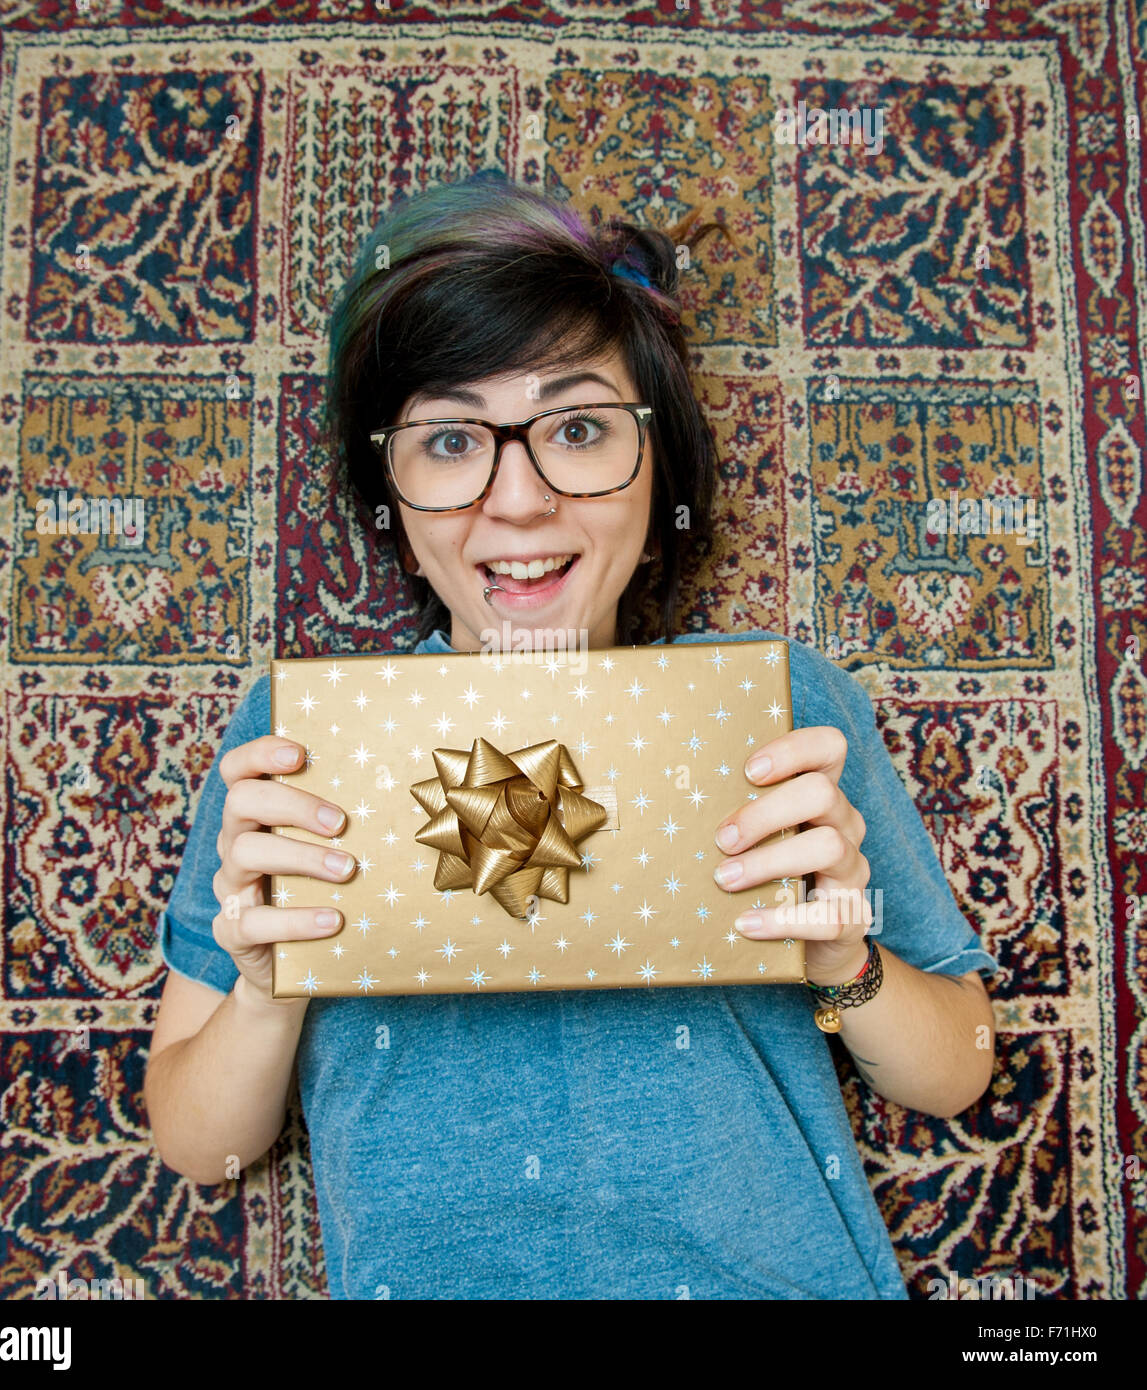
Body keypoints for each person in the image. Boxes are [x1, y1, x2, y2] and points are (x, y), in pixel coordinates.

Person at [144, 174, 1000, 1300]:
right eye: (452, 442)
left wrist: (843, 960)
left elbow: (959, 1073)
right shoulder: (298, 730)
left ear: (660, 473)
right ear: (389, 497)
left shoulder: (782, 703)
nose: (519, 499)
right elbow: (200, 1148)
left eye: (581, 428)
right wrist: (267, 984)